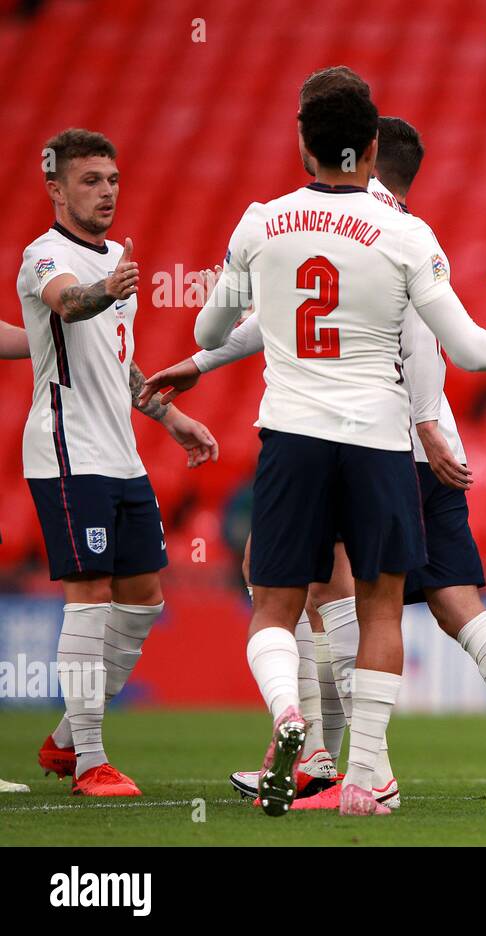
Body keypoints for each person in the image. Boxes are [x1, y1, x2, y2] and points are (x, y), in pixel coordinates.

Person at [151, 114, 486, 808]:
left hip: (381, 440)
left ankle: (335, 759)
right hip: (409, 440)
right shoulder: (404, 235)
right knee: (452, 601)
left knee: (318, 594)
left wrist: (429, 421)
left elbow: (405, 346)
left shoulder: (320, 226)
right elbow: (419, 335)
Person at [20, 128, 219, 797]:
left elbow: (113, 358)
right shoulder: (46, 258)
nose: (105, 192)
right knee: (90, 594)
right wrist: (108, 287)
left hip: (123, 457)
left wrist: (169, 414)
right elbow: (71, 304)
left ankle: (67, 738)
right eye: (88, 181)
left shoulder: (114, 264)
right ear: (56, 188)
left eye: (111, 180)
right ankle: (91, 763)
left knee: (142, 601)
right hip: (68, 453)